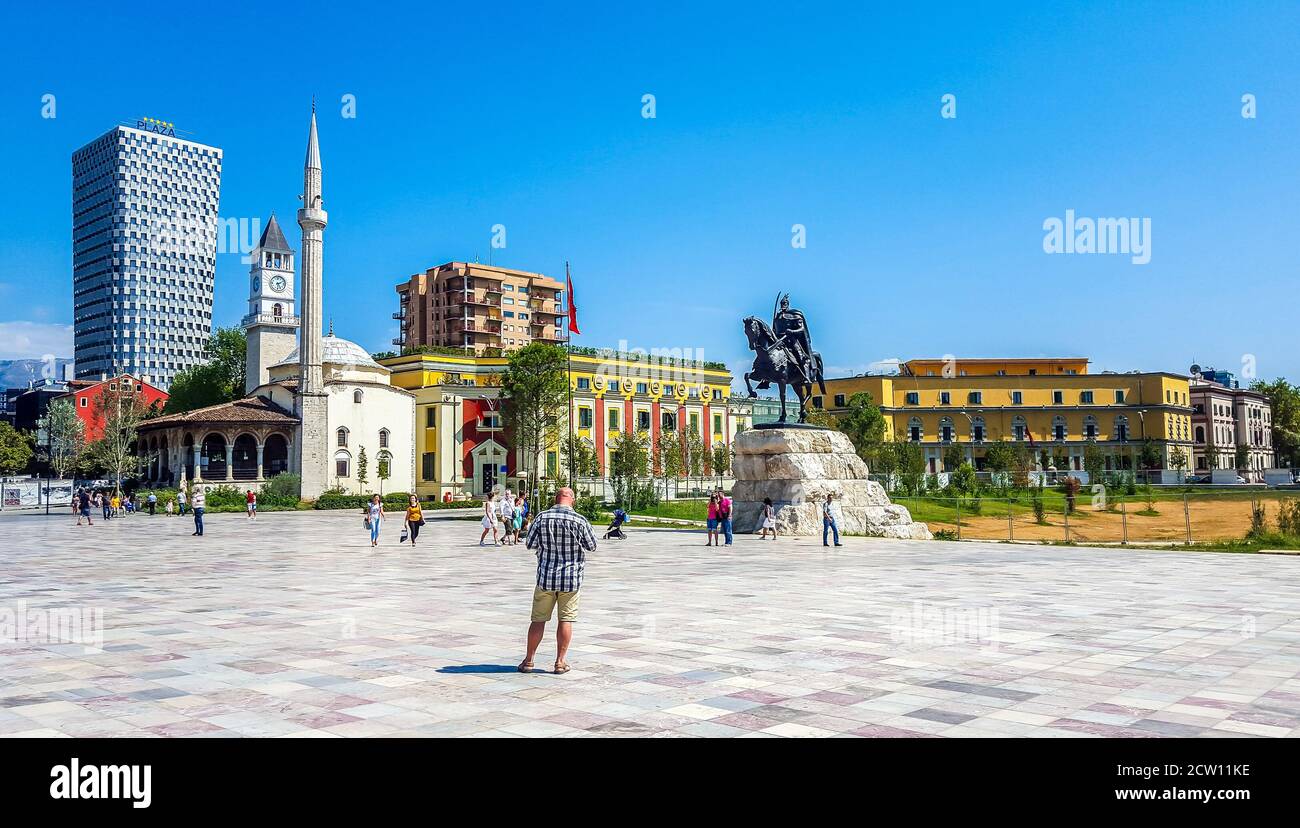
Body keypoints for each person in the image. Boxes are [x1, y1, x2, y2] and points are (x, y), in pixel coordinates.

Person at [519, 487, 596, 675]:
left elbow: (529, 543)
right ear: (573, 500)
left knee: (538, 620)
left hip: (546, 577)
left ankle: (529, 660)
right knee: (566, 619)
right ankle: (560, 662)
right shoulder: (580, 520)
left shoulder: (542, 517)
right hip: (571, 579)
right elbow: (592, 546)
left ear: (555, 499)